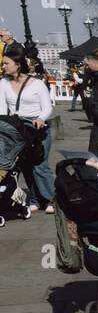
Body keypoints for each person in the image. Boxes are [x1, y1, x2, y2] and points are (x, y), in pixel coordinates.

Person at [0, 48, 56, 213]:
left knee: (40, 165)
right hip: (18, 129)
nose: (3, 66)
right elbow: (3, 110)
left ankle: (52, 199)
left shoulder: (37, 83)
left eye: (6, 63)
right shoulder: (2, 83)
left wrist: (40, 118)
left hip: (37, 128)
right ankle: (35, 199)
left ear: (17, 65)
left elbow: (47, 108)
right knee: (24, 166)